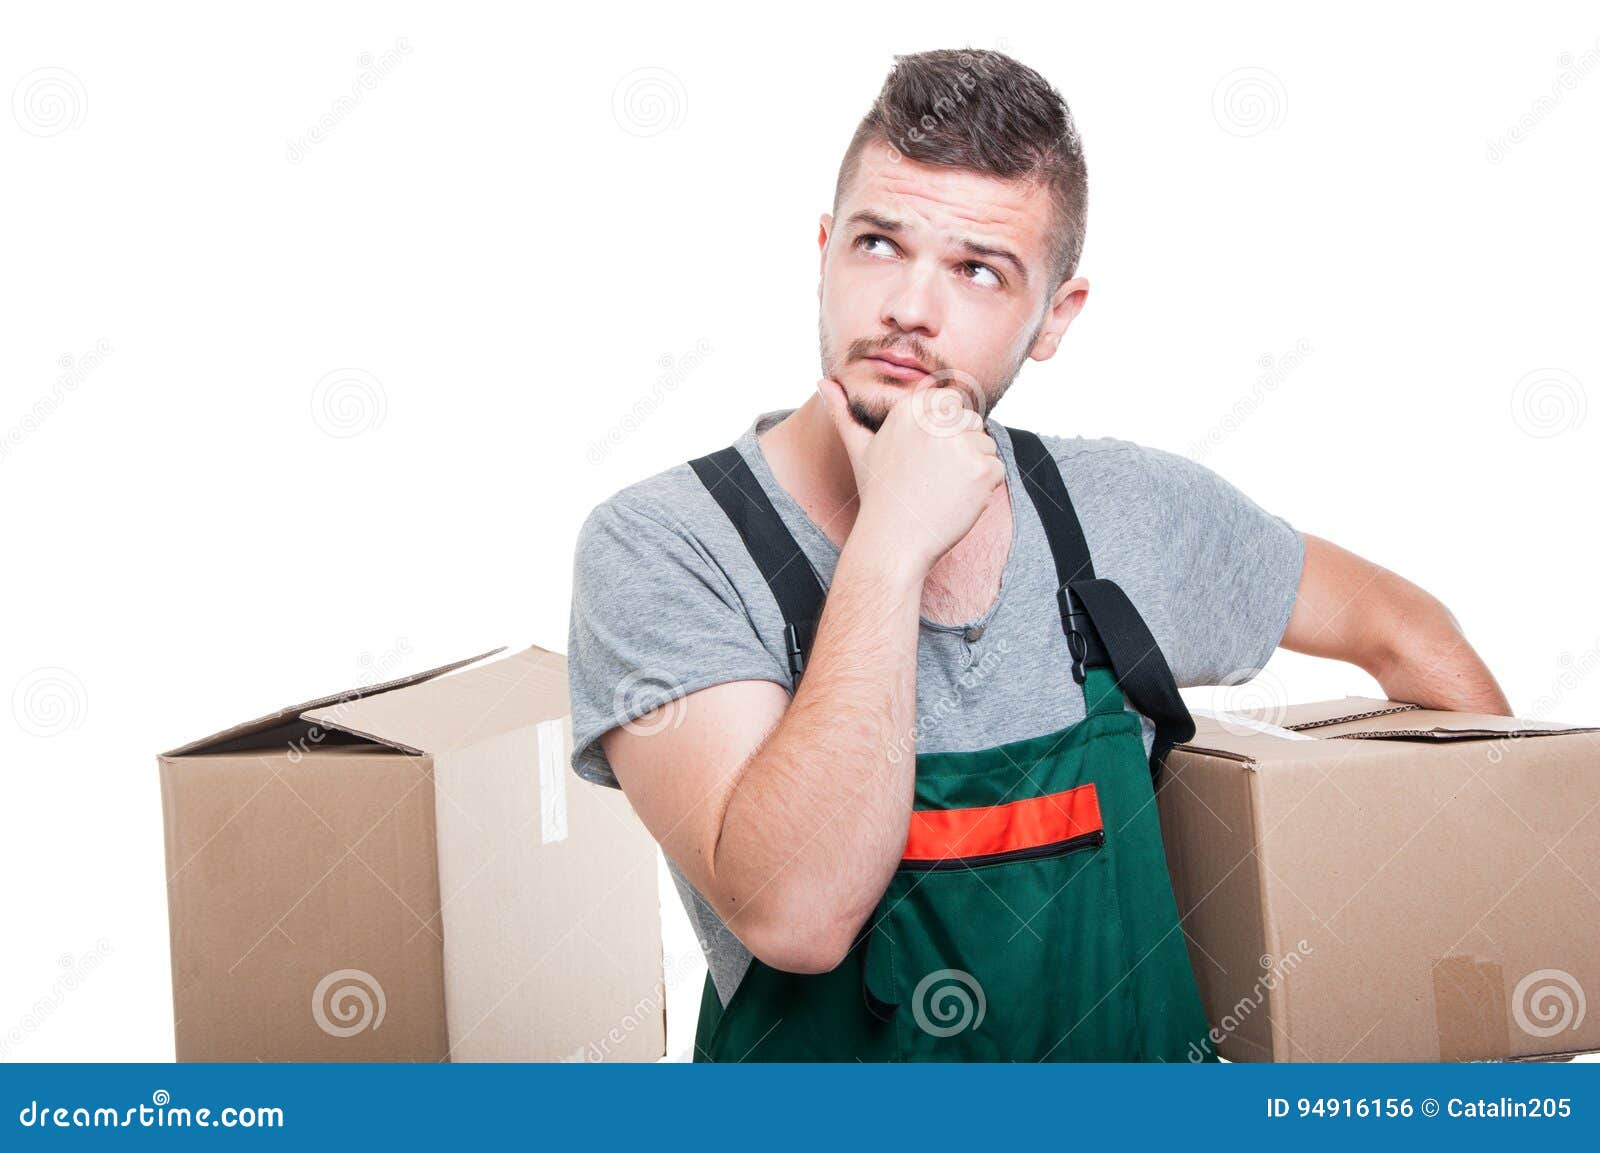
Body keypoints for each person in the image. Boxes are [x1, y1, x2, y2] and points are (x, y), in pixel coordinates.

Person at [566, 48, 1510, 1061]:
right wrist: (890, 542)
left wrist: (1484, 952)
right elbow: (797, 915)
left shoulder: (1124, 513)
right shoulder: (669, 544)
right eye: (880, 245)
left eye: (977, 269)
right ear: (825, 248)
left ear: (1054, 315)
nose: (910, 309)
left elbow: (1404, 632)